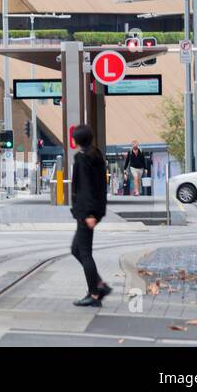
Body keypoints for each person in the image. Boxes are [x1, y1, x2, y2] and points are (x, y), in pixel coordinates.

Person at [70, 125, 112, 307]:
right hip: (94, 209)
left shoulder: (83, 158)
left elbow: (85, 187)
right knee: (76, 249)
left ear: (77, 140)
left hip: (86, 212)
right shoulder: (96, 154)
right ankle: (99, 284)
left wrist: (89, 214)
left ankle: (95, 294)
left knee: (84, 252)